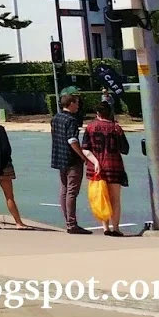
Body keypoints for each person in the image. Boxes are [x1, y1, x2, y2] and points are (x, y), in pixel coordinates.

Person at [81, 101, 130, 237]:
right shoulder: (116, 128)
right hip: (114, 166)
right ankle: (115, 228)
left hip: (96, 169)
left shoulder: (90, 127)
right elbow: (125, 149)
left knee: (101, 197)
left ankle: (105, 227)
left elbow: (85, 149)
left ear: (97, 113)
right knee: (115, 199)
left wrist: (95, 161)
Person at [49, 92, 90, 234]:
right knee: (72, 191)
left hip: (59, 157)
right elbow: (72, 140)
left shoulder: (56, 118)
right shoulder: (71, 120)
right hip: (72, 159)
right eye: (76, 103)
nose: (78, 106)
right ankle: (72, 223)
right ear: (71, 104)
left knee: (64, 189)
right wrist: (83, 156)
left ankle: (68, 220)